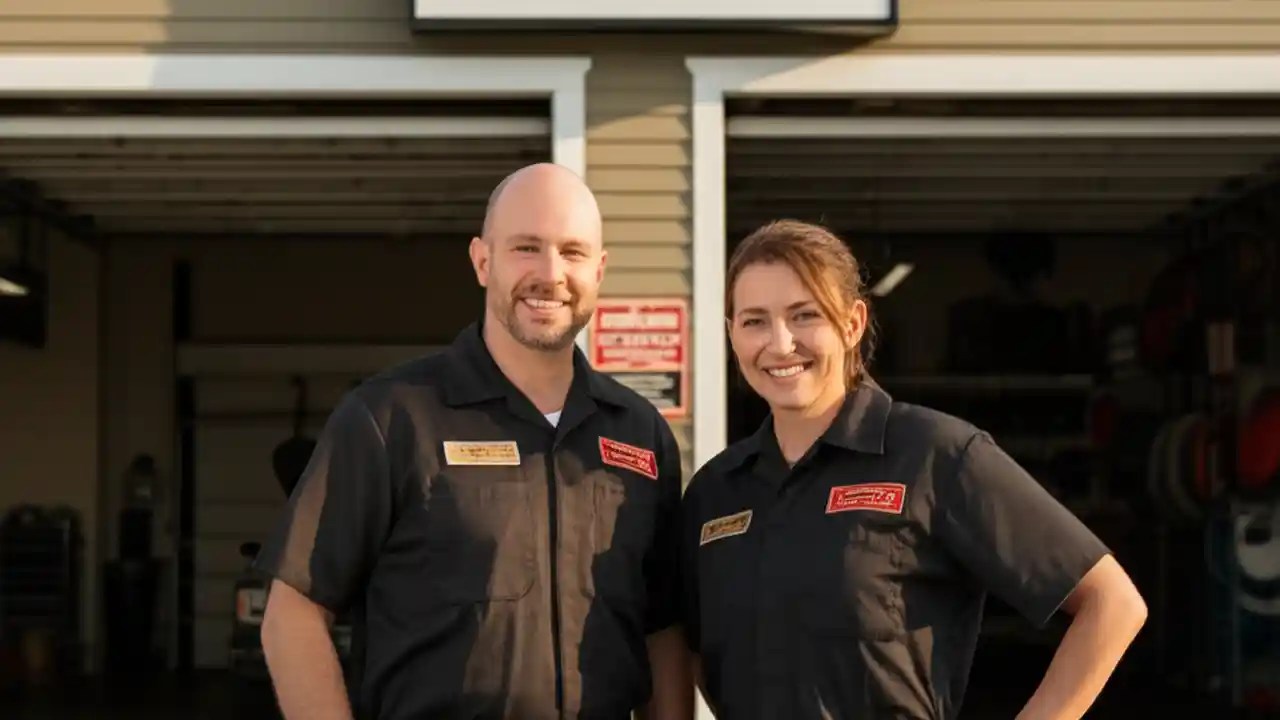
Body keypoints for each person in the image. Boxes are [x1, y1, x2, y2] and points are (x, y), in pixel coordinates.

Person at [254, 163, 694, 720]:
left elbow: (661, 628)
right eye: (526, 248)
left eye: (573, 252)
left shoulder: (638, 434)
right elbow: (292, 612)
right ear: (482, 261)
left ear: (600, 270)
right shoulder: (391, 418)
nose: (551, 274)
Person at [679, 220, 1148, 719]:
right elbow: (699, 653)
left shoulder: (936, 455)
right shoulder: (716, 492)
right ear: (731, 333)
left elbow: (1113, 605)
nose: (780, 343)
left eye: (804, 315)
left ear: (853, 323)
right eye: (754, 321)